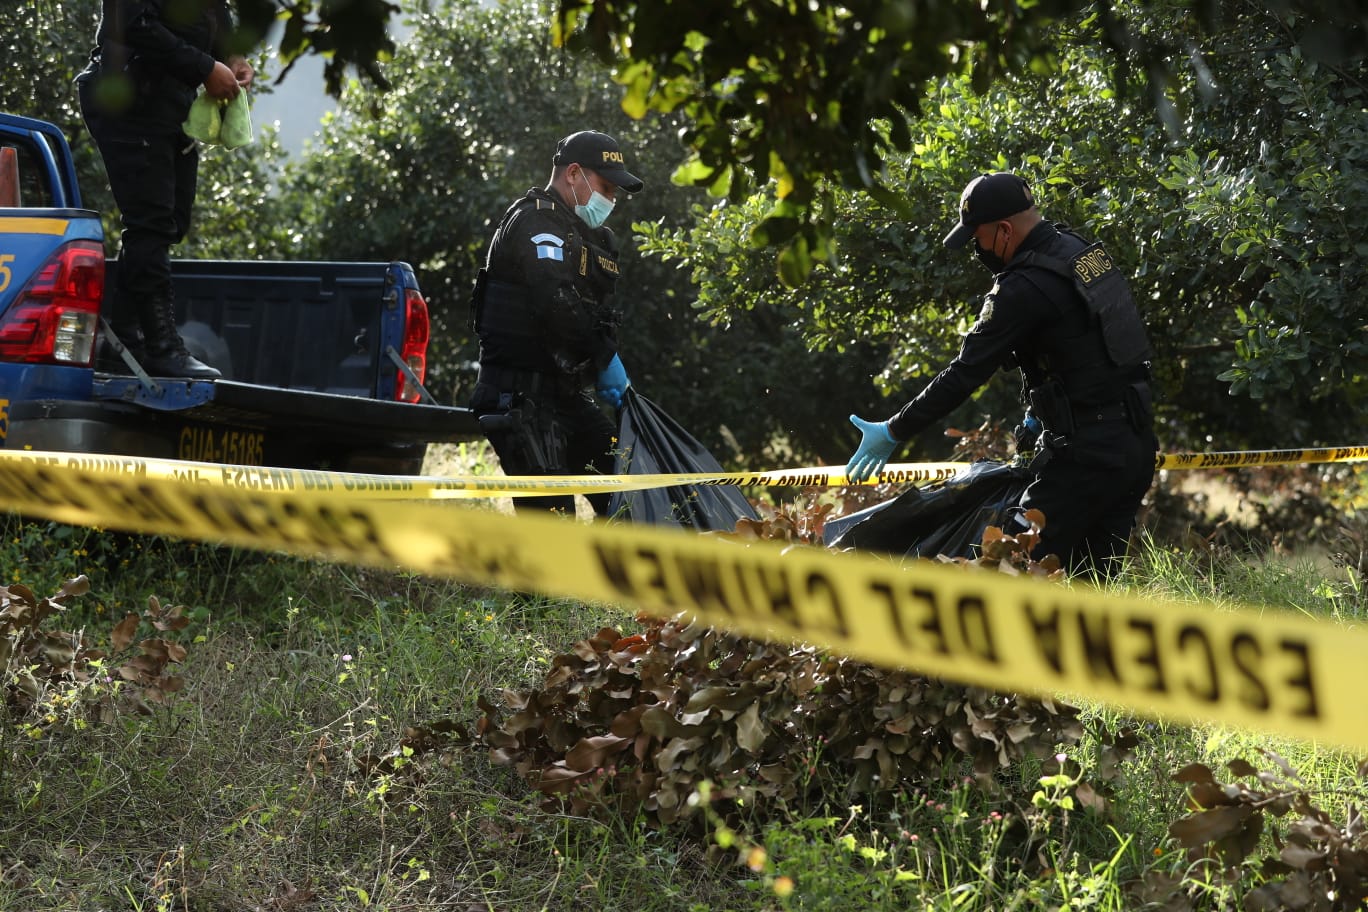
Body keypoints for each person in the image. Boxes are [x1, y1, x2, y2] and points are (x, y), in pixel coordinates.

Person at [845, 172, 1158, 575]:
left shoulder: (1020, 287)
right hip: (1134, 446)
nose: (977, 247)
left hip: (1084, 461)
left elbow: (965, 374)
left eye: (978, 237)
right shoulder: (1080, 252)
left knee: (1005, 571)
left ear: (1005, 230)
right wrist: (1040, 412)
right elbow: (1097, 346)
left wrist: (894, 430)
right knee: (1091, 589)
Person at [469, 131, 644, 516]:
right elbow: (557, 303)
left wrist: (605, 361)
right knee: (553, 525)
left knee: (632, 501)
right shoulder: (535, 223)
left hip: (564, 397)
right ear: (574, 174)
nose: (610, 200)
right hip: (517, 398)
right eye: (605, 187)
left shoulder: (583, 234)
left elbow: (593, 312)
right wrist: (605, 359)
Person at [77, 0, 254, 379]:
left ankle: (122, 341)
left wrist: (232, 58)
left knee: (171, 220)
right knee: (151, 221)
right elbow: (133, 24)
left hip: (171, 103)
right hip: (126, 96)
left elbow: (212, 14)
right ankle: (161, 346)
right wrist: (206, 67)